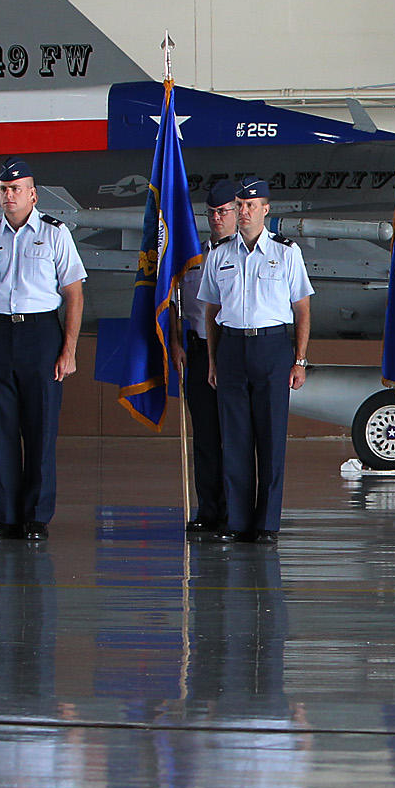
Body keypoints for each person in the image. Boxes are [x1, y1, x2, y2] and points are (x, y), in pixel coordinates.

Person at [0, 158, 86, 540]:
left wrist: (68, 349)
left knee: (40, 428)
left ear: (33, 195)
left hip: (40, 334)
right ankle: (5, 515)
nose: (9, 195)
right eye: (4, 189)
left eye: (16, 189)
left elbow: (74, 294)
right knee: (0, 431)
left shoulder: (54, 234)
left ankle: (35, 516)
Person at [199, 177, 313, 542]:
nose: (244, 212)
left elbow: (302, 308)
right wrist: (213, 361)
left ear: (265, 209)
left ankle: (266, 524)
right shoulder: (220, 254)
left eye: (251, 206)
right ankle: (238, 522)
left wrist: (300, 360)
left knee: (271, 438)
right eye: (240, 206)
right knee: (234, 440)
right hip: (232, 347)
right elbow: (211, 311)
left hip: (272, 347)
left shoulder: (286, 252)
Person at [179, 180, 239, 539]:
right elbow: (176, 304)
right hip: (200, 351)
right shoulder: (192, 258)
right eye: (212, 213)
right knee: (205, 436)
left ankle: (234, 511)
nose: (217, 218)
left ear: (237, 212)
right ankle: (208, 509)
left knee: (234, 436)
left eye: (224, 212)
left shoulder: (244, 254)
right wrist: (175, 342)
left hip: (233, 352)